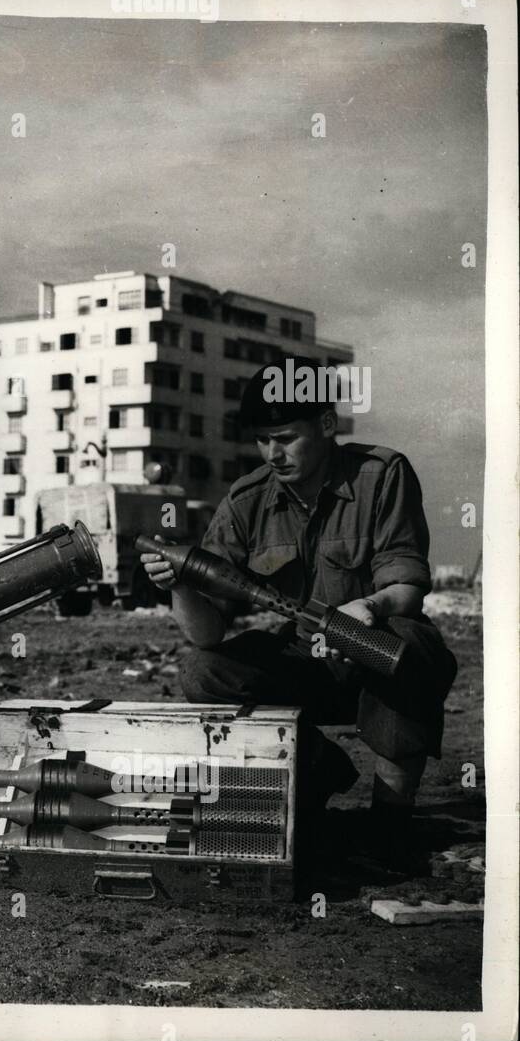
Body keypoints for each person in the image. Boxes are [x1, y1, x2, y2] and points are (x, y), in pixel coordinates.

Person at [141, 361, 457, 871]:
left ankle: (390, 819)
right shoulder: (246, 500)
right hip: (307, 662)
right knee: (203, 669)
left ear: (327, 426)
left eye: (286, 438)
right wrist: (179, 585)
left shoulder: (382, 475)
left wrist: (370, 606)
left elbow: (409, 587)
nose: (273, 454)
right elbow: (208, 632)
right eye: (262, 441)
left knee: (411, 643)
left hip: (374, 652)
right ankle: (317, 773)